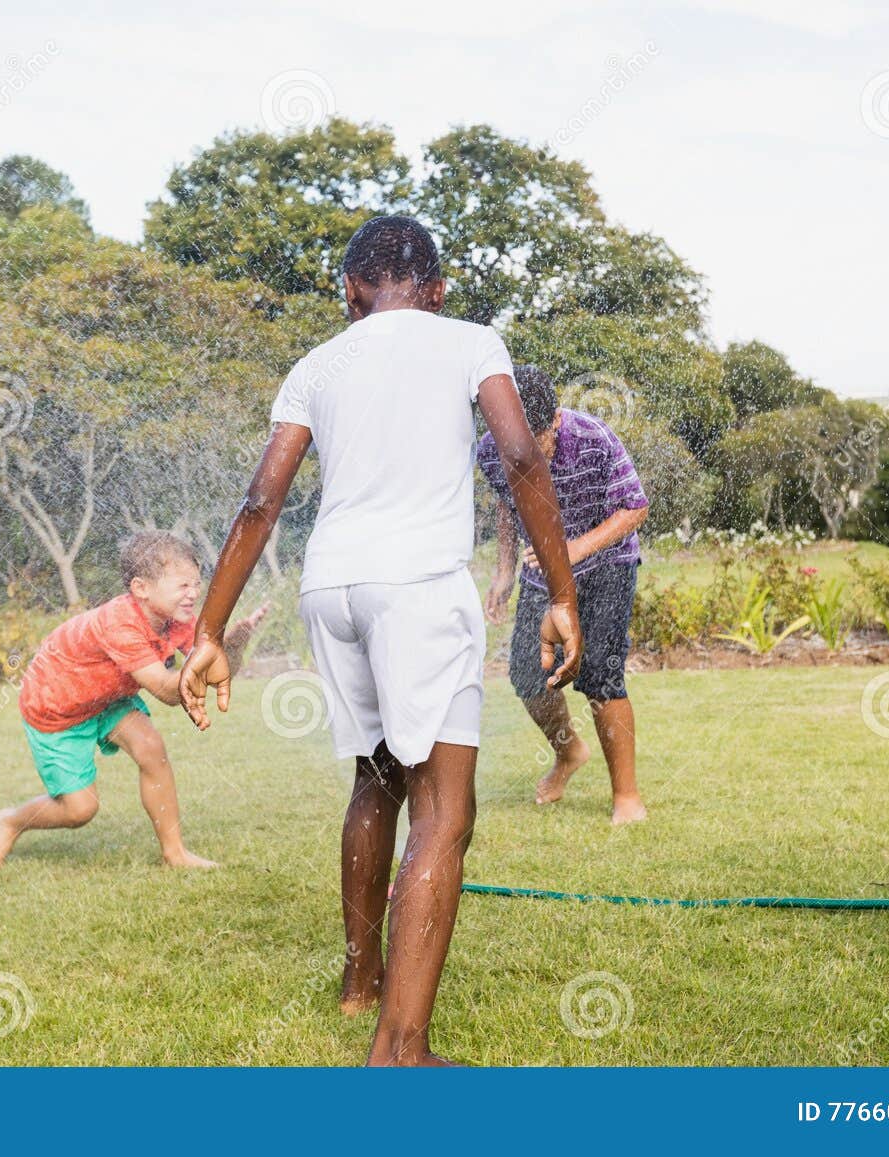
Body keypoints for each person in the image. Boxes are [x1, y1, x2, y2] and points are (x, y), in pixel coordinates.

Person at [178, 215, 582, 1066]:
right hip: (418, 587)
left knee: (377, 777)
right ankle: (400, 1051)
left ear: (351, 294)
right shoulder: (470, 339)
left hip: (333, 585)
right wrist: (563, 591)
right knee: (444, 813)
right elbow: (521, 457)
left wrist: (207, 629)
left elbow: (260, 500)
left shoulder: (317, 363)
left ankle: (362, 981)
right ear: (436, 288)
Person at [0, 532, 264, 873]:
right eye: (183, 586)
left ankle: (175, 854)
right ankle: (10, 821)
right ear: (141, 588)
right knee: (79, 810)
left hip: (108, 699)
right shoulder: (120, 624)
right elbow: (168, 691)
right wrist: (206, 658)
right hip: (56, 708)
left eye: (196, 584)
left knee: (150, 747)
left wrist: (231, 648)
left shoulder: (177, 620)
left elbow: (214, 673)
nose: (194, 594)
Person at [480, 365, 649, 824]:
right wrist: (503, 570)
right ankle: (569, 751)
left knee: (601, 676)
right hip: (541, 577)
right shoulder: (493, 449)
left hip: (606, 565)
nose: (528, 456)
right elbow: (506, 504)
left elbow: (635, 508)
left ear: (554, 419)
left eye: (538, 443)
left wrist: (573, 549)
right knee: (527, 674)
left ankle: (627, 796)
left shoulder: (594, 436)